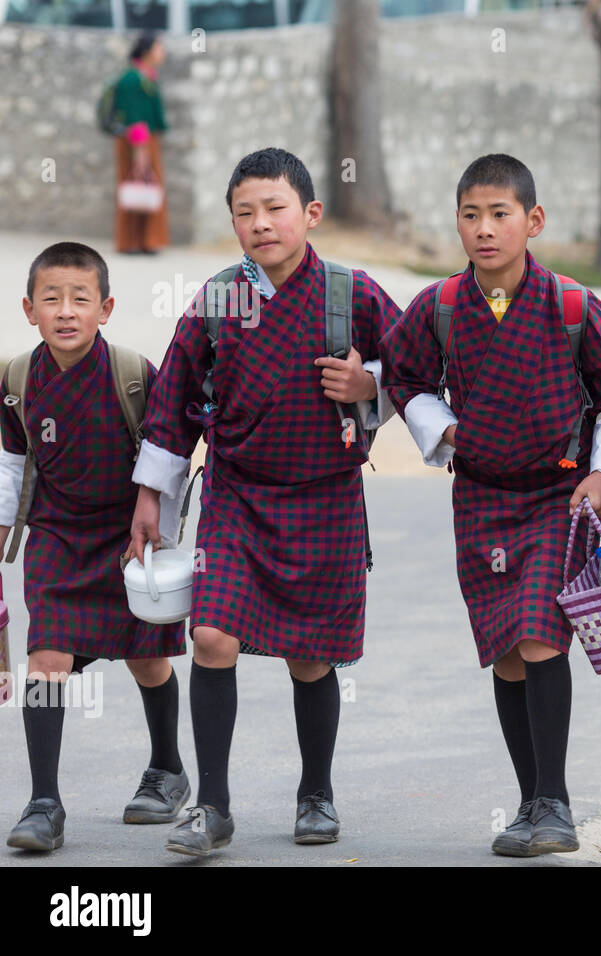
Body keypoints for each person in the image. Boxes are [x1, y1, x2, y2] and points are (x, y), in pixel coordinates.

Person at [128, 148, 401, 857]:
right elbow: (172, 404)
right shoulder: (219, 298)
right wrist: (150, 499)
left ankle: (317, 792)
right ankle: (211, 807)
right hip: (236, 497)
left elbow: (419, 368)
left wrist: (369, 383)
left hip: (326, 497)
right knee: (212, 638)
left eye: (275, 208)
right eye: (244, 212)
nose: (260, 223)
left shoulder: (353, 293)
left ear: (310, 213)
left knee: (309, 659)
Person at [381, 154, 601, 858]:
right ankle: (529, 800)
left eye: (501, 215)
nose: (485, 229)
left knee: (538, 638)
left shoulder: (574, 307)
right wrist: (443, 429)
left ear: (534, 221)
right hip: (481, 494)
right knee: (505, 653)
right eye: (472, 215)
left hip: (557, 496)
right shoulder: (438, 306)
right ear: (458, 224)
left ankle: (555, 802)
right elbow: (403, 375)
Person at [3, 242, 188, 852]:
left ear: (104, 307)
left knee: (146, 659)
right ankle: (44, 803)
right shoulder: (17, 380)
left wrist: (159, 523)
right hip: (56, 535)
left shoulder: (132, 372)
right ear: (29, 309)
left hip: (128, 536)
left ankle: (166, 770)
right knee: (46, 663)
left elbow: (168, 450)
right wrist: (4, 525)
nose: (65, 311)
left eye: (80, 299)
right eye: (51, 299)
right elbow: (10, 462)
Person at [111, 33, 169, 255]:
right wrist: (140, 151)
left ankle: (147, 240)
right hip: (136, 141)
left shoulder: (146, 77)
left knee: (147, 184)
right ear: (147, 51)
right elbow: (134, 116)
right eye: (158, 48)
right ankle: (130, 241)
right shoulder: (132, 79)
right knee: (134, 181)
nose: (161, 53)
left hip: (147, 139)